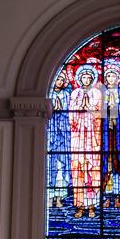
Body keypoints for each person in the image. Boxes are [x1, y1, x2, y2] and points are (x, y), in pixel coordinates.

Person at [69, 65, 102, 219]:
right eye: (84, 77)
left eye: (89, 77)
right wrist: (79, 107)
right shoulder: (75, 93)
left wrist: (88, 106)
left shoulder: (96, 92)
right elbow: (71, 116)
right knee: (78, 171)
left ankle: (92, 206)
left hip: (92, 138)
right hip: (78, 138)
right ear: (79, 78)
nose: (86, 79)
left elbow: (98, 114)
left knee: (92, 171)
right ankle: (80, 206)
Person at [101, 62, 120, 210]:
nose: (111, 78)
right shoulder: (101, 94)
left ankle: (118, 196)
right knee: (107, 164)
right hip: (106, 133)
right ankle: (107, 196)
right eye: (108, 75)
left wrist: (116, 108)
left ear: (118, 78)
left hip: (119, 132)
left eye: (113, 75)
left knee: (118, 164)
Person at [48, 69, 72, 210]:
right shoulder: (48, 94)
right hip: (51, 134)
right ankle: (50, 198)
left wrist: (61, 111)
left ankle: (59, 198)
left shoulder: (66, 95)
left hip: (62, 134)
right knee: (50, 168)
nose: (60, 82)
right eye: (58, 79)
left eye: (62, 80)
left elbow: (70, 113)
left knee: (61, 168)